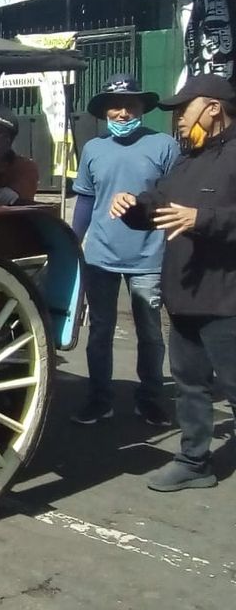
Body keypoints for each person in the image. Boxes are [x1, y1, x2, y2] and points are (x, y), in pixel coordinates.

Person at [111, 74, 236, 491]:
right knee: (189, 385)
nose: (179, 118)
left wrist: (203, 220)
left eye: (185, 108)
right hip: (183, 296)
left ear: (214, 107)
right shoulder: (187, 158)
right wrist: (132, 205)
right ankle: (194, 462)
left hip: (227, 299)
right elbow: (157, 202)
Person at [70, 73, 178, 426]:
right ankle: (99, 398)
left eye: (129, 104)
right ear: (104, 111)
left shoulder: (164, 145)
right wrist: (73, 241)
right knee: (99, 330)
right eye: (115, 106)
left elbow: (174, 198)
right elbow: (85, 200)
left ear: (141, 107)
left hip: (149, 256)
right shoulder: (93, 149)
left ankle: (150, 398)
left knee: (149, 333)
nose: (122, 112)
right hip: (100, 255)